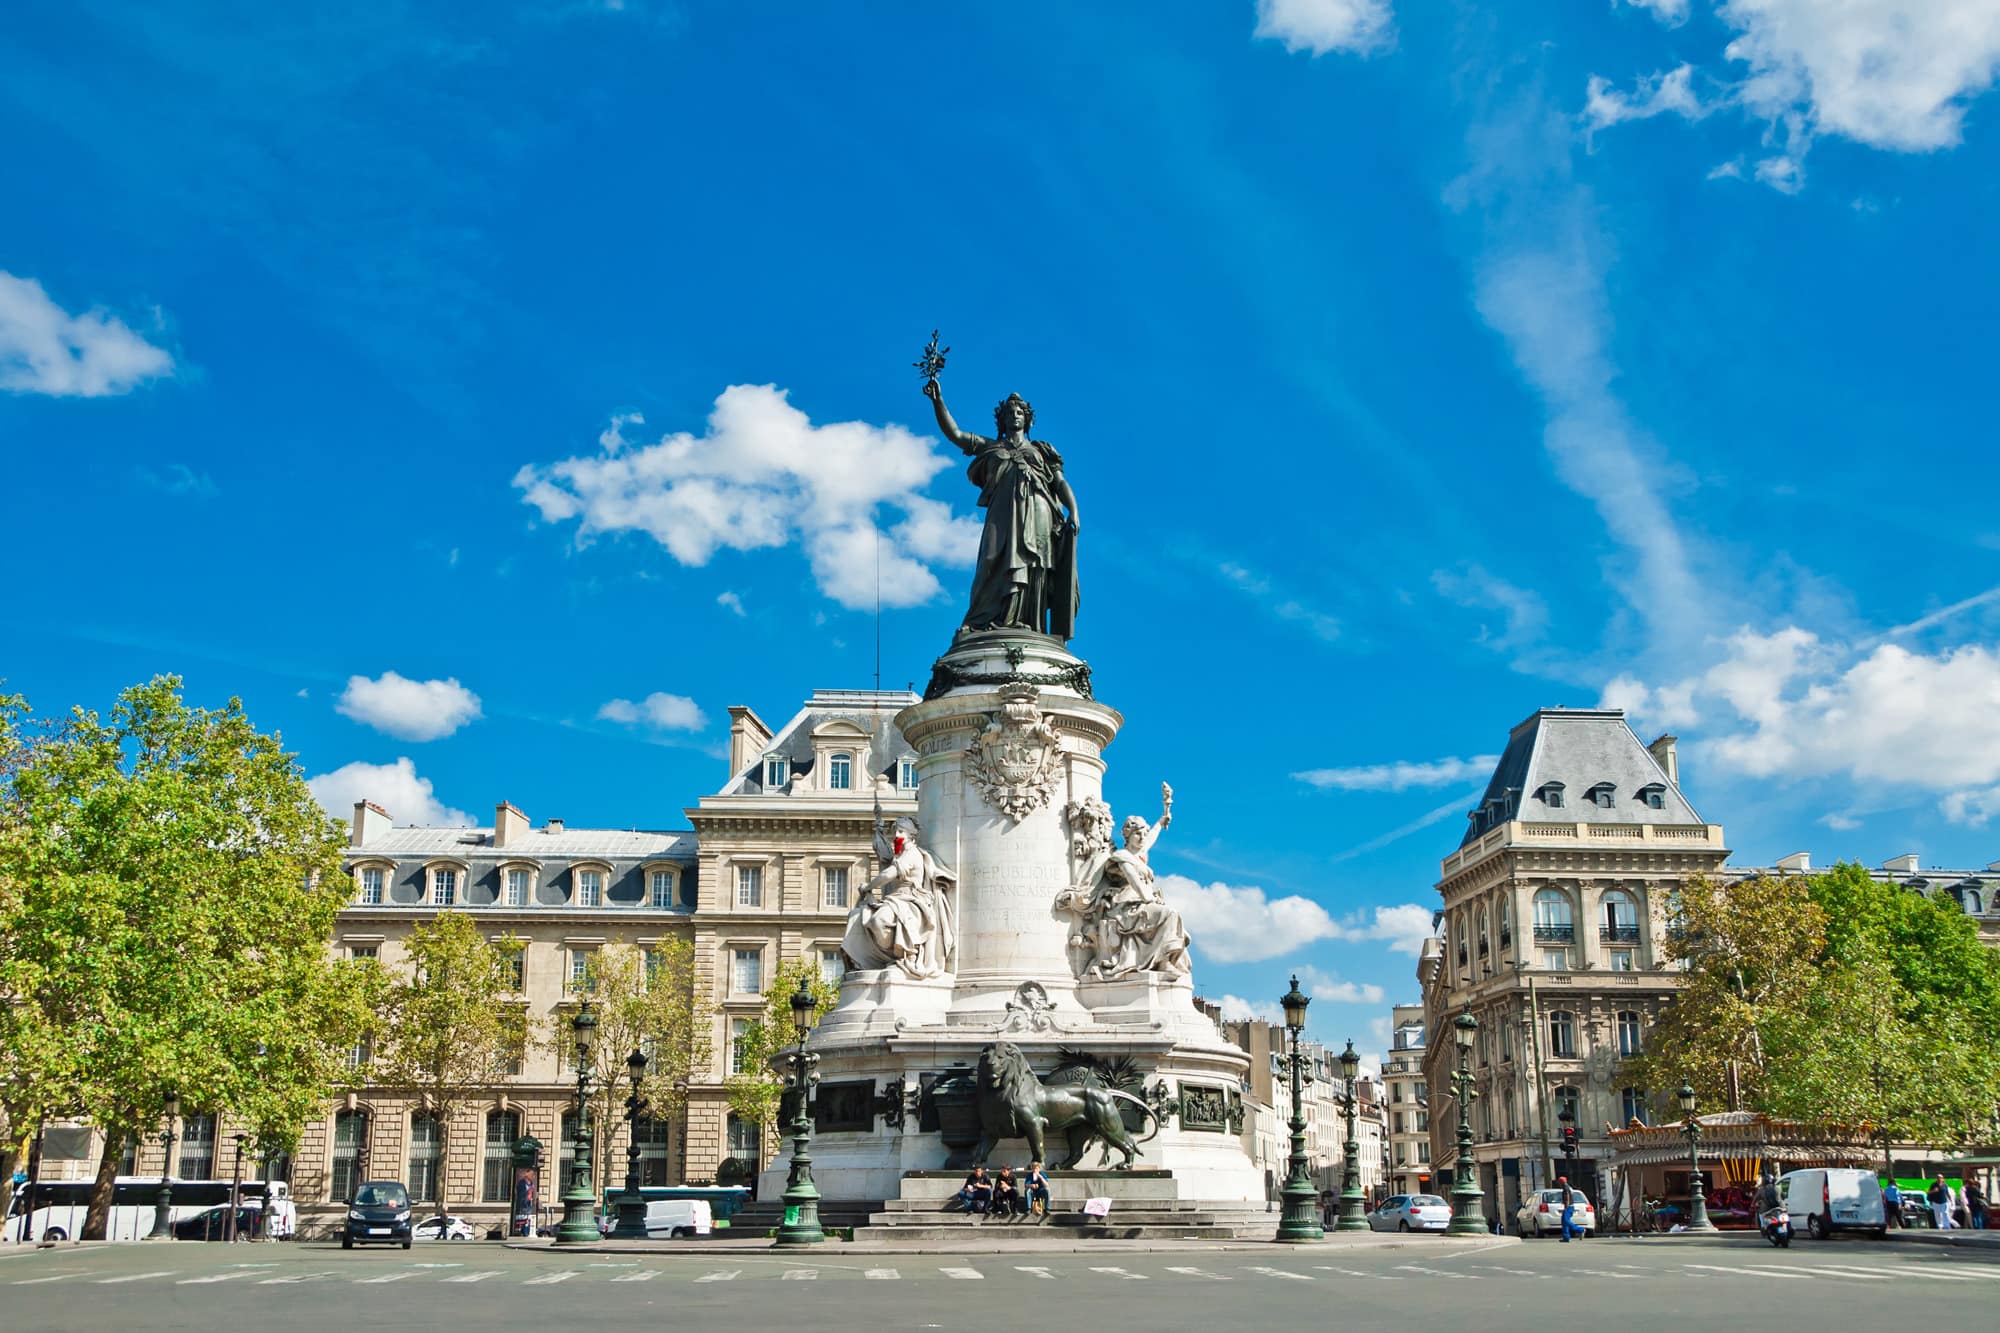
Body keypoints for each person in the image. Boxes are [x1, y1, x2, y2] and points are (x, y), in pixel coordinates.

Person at [1558, 1175, 1579, 1242]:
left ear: (1561, 1182)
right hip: (1570, 1206)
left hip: (1569, 1207)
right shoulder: (1568, 1187)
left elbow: (1567, 1197)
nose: (1559, 1184)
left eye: (1559, 1182)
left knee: (1566, 1221)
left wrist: (1566, 1207)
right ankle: (1566, 1237)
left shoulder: (1566, 1188)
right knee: (1564, 1222)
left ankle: (1580, 1230)